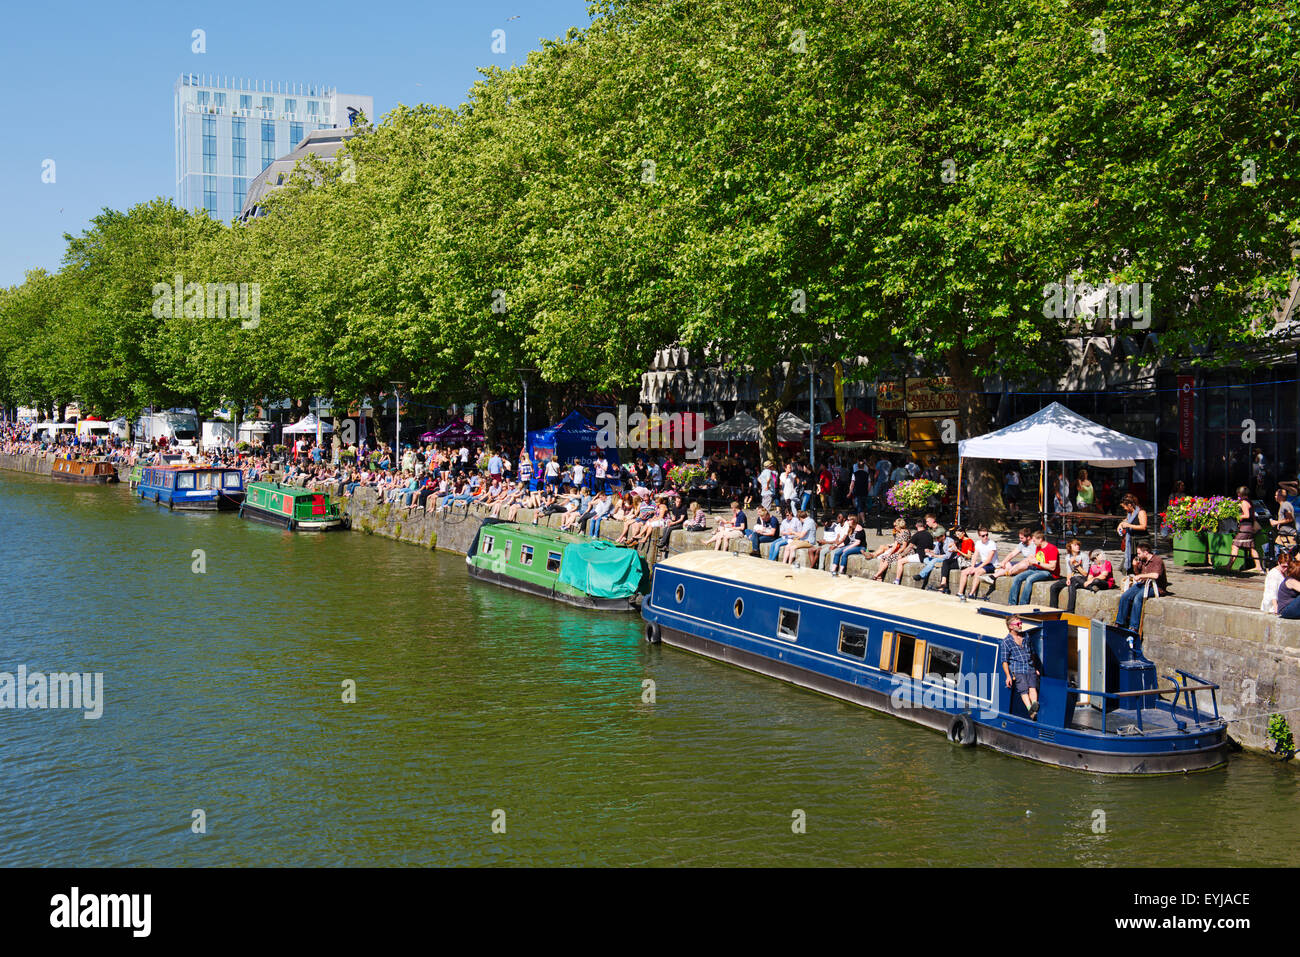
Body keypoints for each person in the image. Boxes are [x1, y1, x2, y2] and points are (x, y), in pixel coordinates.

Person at [1115, 543, 1167, 633]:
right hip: (1143, 584)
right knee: (1125, 596)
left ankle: (1133, 626)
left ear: (1146, 552)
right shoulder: (1142, 560)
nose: (1137, 555)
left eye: (1139, 553)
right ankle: (1120, 622)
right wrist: (1135, 566)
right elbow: (1137, 574)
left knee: (1138, 598)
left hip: (1155, 586)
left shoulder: (1157, 560)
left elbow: (1155, 575)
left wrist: (1141, 576)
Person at [998, 616, 1041, 720]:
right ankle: (1030, 709)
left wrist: (1035, 668)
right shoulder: (1006, 642)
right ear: (1010, 627)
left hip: (1029, 666)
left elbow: (1032, 653)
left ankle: (1034, 706)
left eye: (1020, 623)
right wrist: (1008, 676)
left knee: (1032, 687)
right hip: (1018, 670)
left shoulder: (1026, 636)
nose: (1021, 625)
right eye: (1018, 624)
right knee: (1023, 690)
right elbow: (1004, 661)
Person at [1009, 529, 1059, 605]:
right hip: (1038, 569)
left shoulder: (1052, 548)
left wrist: (1037, 562)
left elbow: (1052, 567)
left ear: (1040, 539)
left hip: (1050, 573)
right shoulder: (1038, 547)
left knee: (1029, 579)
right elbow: (1035, 560)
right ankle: (1012, 604)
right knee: (1017, 578)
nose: (1033, 543)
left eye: (1034, 541)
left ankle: (1023, 604)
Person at [1227, 485, 1263, 573]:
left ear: (1240, 493)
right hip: (1249, 526)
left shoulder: (1243, 502)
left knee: (1235, 545)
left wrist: (1237, 516)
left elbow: (1247, 515)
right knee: (1252, 547)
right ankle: (1258, 567)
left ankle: (1228, 566)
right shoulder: (1249, 501)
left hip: (1245, 527)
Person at [958, 527, 998, 601]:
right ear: (979, 536)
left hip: (991, 564)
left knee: (977, 572)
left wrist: (976, 568)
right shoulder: (978, 543)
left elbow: (989, 560)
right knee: (964, 572)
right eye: (983, 536)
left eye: (986, 535)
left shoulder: (992, 544)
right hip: (982, 563)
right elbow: (975, 556)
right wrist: (972, 567)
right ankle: (960, 593)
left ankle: (971, 594)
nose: (985, 537)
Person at [1048, 539, 1087, 613]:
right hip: (1072, 577)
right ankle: (1053, 610)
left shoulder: (1084, 556)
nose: (1077, 546)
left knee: (1071, 586)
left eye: (1078, 545)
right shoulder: (1068, 557)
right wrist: (1068, 579)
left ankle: (1070, 611)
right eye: (1075, 545)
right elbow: (1069, 571)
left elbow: (1085, 574)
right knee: (1054, 587)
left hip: (1081, 578)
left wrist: (1076, 564)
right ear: (1070, 547)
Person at [870, 517, 913, 583]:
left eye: (895, 525)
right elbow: (895, 545)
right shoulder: (898, 533)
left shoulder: (905, 533)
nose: (894, 527)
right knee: (884, 557)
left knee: (889, 558)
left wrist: (896, 553)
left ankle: (876, 575)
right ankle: (879, 577)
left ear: (899, 525)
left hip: (905, 551)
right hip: (899, 550)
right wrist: (889, 553)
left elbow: (904, 546)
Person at [937, 526, 975, 594]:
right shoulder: (959, 541)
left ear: (963, 533)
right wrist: (952, 548)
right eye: (956, 534)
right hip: (959, 560)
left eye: (958, 534)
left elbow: (969, 556)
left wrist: (957, 550)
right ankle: (944, 583)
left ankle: (943, 585)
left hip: (965, 562)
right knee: (945, 562)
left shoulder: (969, 541)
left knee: (946, 563)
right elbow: (953, 549)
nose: (957, 536)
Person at [1117, 493, 1148, 573]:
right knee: (1129, 563)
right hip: (1131, 541)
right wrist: (1120, 525)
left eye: (1125, 507)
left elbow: (1143, 526)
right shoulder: (1130, 513)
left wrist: (1129, 525)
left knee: (1139, 561)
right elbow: (1126, 520)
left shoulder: (1141, 512)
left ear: (1130, 505)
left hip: (1140, 540)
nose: (1125, 509)